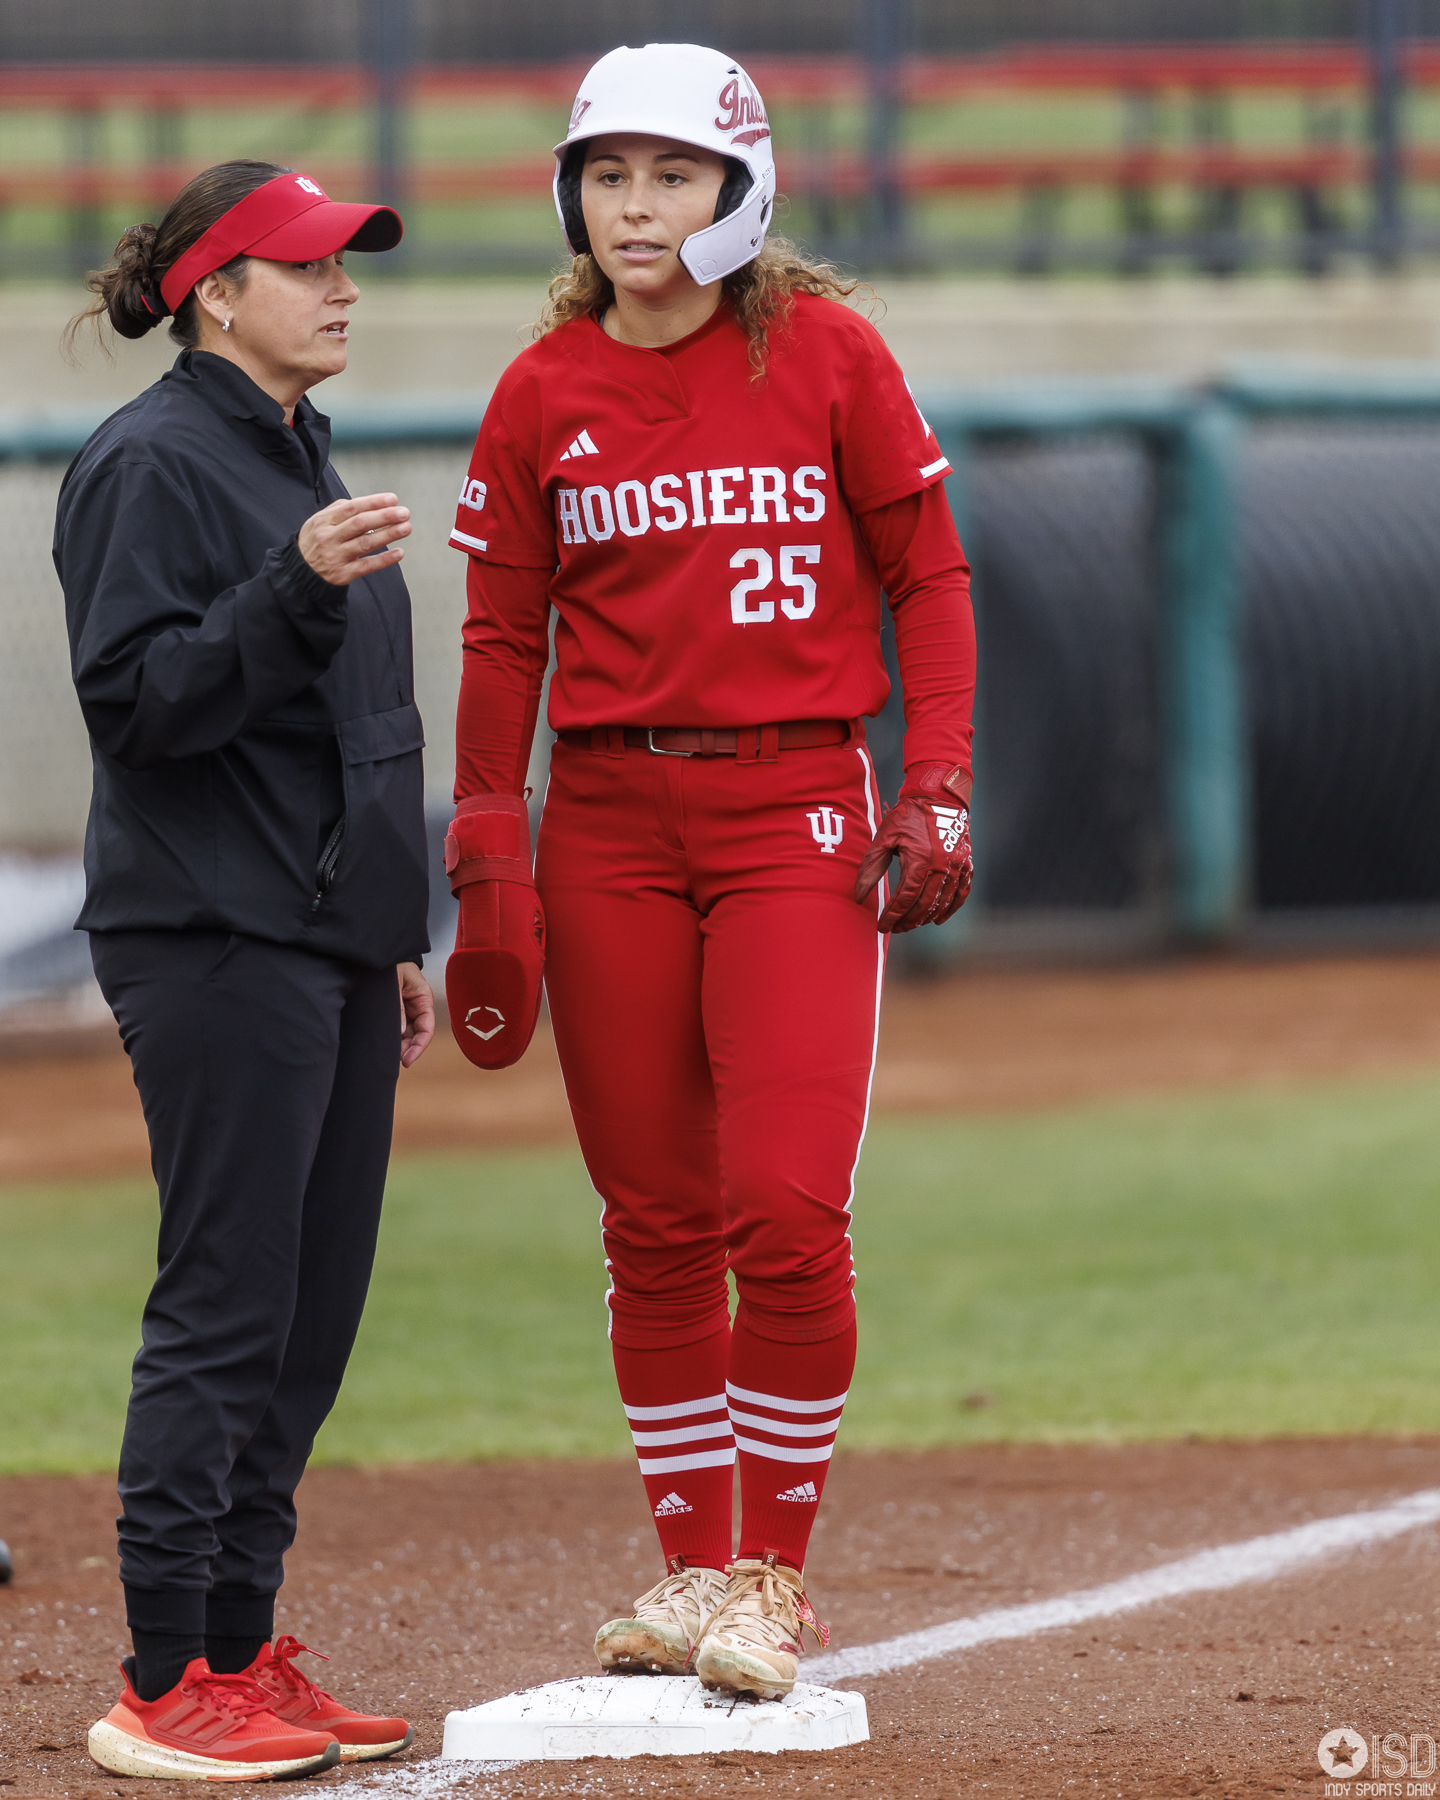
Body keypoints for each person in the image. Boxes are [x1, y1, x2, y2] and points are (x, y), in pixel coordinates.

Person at [445, 44, 975, 1701]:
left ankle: (773, 1578)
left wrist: (939, 784)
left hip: (792, 807)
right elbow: (501, 635)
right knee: (655, 1222)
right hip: (605, 820)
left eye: (673, 175)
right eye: (608, 175)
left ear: (741, 190)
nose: (636, 206)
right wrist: (486, 844)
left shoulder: (829, 352)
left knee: (787, 1213)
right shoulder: (542, 388)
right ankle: (690, 1567)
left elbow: (930, 576)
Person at [54, 160, 434, 1780]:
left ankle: (234, 1643)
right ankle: (162, 1680)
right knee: (226, 1304)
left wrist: (388, 930)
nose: (343, 288)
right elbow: (138, 708)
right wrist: (295, 584)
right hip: (213, 938)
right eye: (310, 265)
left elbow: (354, 732)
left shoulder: (290, 445)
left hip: (323, 935)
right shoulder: (150, 460)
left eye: (349, 263)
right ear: (218, 292)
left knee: (306, 1316)